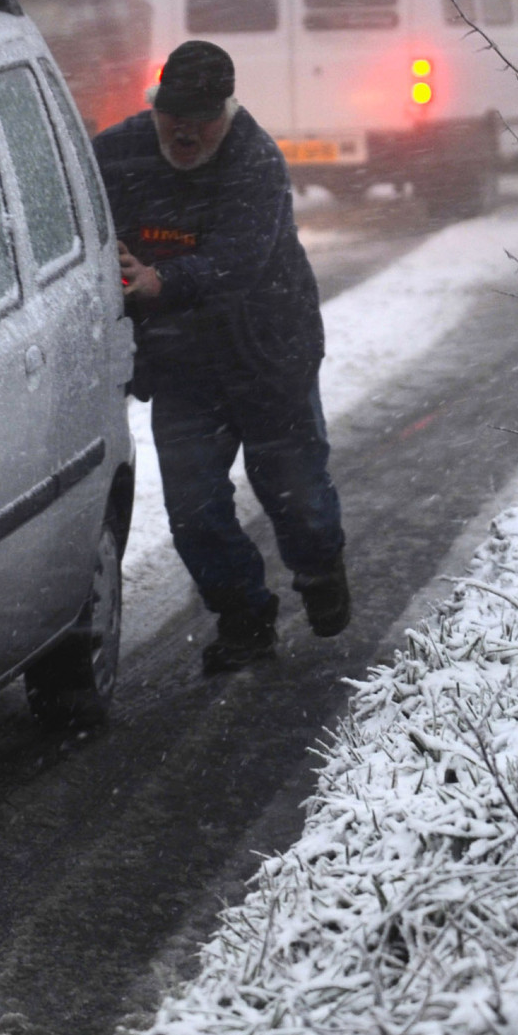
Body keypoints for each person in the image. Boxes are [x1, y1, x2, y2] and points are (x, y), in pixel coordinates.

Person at [94, 40, 350, 673]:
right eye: (172, 115)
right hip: (183, 366)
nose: (186, 131)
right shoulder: (116, 152)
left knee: (296, 495)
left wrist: (159, 282)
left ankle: (320, 570)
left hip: (270, 354)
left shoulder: (255, 159)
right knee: (193, 511)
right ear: (154, 107)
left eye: (201, 118)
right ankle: (244, 618)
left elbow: (237, 261)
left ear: (226, 113)